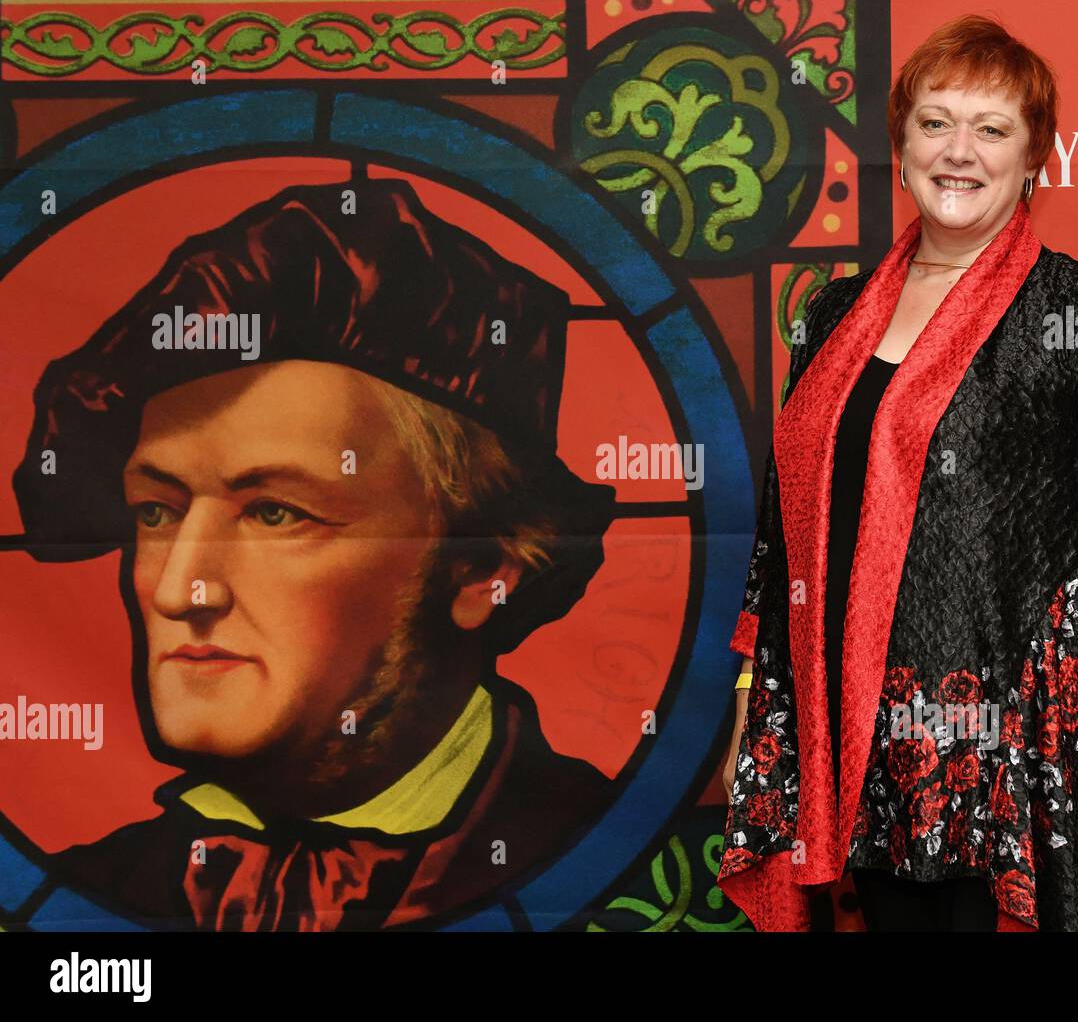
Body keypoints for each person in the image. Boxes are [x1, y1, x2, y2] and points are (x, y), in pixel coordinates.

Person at [5, 179, 620, 930]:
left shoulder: (616, 860)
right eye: (157, 511)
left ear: (484, 566)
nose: (179, 590)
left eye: (274, 512)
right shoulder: (81, 895)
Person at [719, 14, 1078, 933]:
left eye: (992, 129)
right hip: (843, 753)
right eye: (935, 122)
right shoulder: (833, 317)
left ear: (1035, 158)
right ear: (899, 144)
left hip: (1009, 771)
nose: (959, 151)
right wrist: (755, 712)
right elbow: (783, 532)